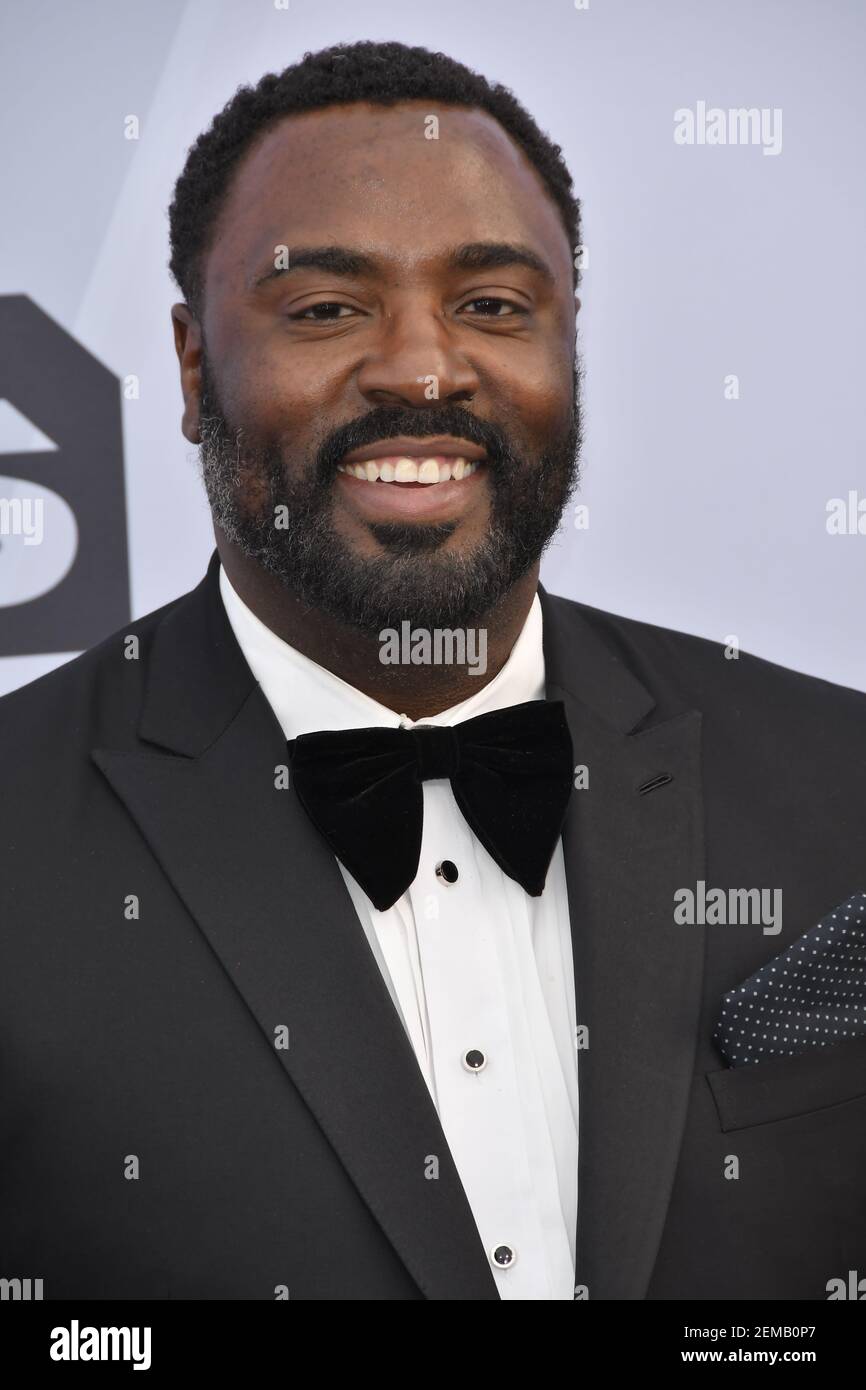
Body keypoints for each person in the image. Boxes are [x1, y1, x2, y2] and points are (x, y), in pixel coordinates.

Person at [2, 40, 865, 1303]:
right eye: (326, 308)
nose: (421, 369)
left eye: (493, 305)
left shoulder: (839, 782)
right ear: (193, 368)